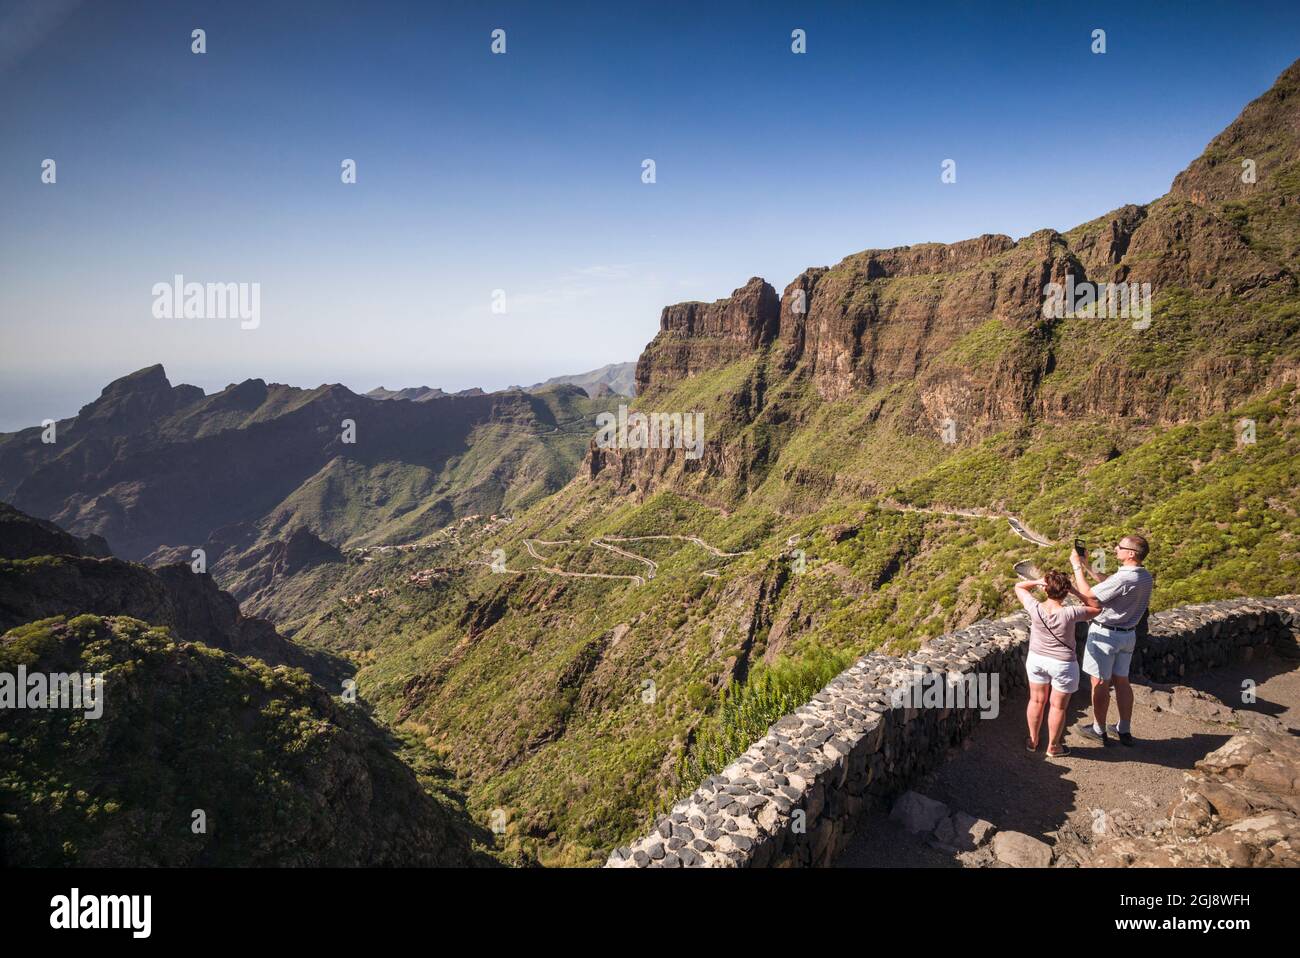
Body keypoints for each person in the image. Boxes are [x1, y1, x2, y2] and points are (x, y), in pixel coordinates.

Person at [1013, 568, 1101, 757]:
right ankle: (1053, 746)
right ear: (1065, 591)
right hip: (1063, 663)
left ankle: (1033, 740)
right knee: (1058, 706)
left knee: (1036, 700)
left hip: (1037, 659)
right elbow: (1096, 607)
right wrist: (1076, 592)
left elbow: (1019, 586)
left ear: (1046, 590)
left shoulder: (1034, 607)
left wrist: (1037, 582)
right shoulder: (1070, 613)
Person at [1074, 534, 1153, 747]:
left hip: (1106, 635)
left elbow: (1090, 596)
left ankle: (1099, 729)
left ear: (1131, 554)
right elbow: (1111, 585)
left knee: (1099, 682)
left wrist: (1077, 569)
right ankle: (1123, 728)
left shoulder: (1125, 578)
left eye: (1119, 547)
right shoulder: (1144, 576)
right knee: (1122, 681)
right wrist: (1089, 566)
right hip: (1127, 635)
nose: (1115, 549)